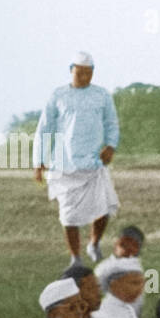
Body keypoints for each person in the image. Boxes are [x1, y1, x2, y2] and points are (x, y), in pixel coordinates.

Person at [32, 51, 120, 265]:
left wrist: (110, 145)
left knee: (104, 207)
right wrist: (38, 162)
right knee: (68, 215)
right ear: (71, 70)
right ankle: (75, 258)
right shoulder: (58, 95)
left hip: (94, 162)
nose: (85, 77)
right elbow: (44, 128)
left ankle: (94, 243)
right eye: (80, 73)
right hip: (64, 164)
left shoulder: (102, 95)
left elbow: (112, 123)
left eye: (89, 73)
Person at [95, 226, 146, 312]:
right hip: (134, 315)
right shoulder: (137, 265)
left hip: (115, 314)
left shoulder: (108, 266)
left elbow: (94, 290)